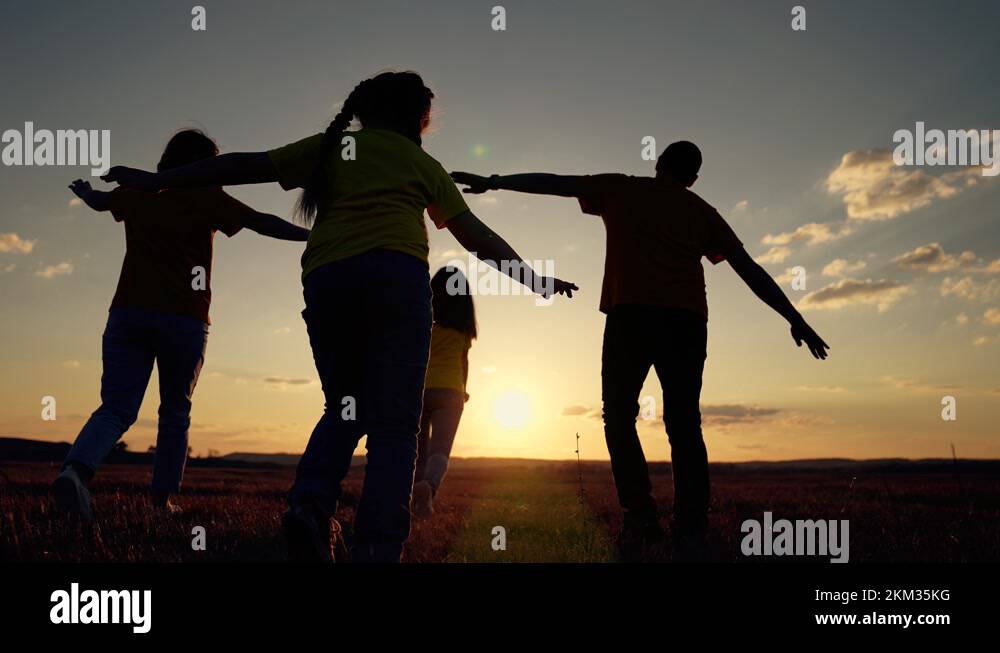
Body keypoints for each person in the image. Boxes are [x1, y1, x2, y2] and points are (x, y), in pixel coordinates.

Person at [102, 71, 577, 563]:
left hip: (329, 279)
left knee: (345, 406)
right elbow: (476, 235)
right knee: (395, 424)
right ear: (420, 120)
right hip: (396, 275)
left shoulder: (332, 147)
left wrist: (158, 181)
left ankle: (309, 508)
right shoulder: (420, 163)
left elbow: (245, 166)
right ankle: (377, 546)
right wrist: (535, 279)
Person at [452, 141, 830, 558]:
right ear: (693, 178)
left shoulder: (621, 189)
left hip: (631, 317)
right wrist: (794, 317)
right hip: (686, 323)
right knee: (685, 424)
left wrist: (495, 181)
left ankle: (641, 517)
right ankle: (690, 526)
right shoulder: (703, 212)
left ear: (658, 164)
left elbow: (555, 184)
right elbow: (749, 269)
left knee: (618, 417)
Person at [54, 129, 310, 520]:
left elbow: (101, 202)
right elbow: (260, 222)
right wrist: (312, 235)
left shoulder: (137, 194)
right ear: (205, 165)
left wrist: (85, 192)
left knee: (116, 408)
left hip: (128, 314)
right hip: (184, 320)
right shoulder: (207, 198)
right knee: (175, 411)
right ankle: (162, 499)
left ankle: (76, 470)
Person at [411, 266, 476, 519]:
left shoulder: (424, 325)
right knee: (440, 452)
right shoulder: (463, 331)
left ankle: (415, 504)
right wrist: (464, 390)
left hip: (419, 391)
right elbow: (463, 363)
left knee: (417, 453)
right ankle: (428, 490)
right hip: (451, 393)